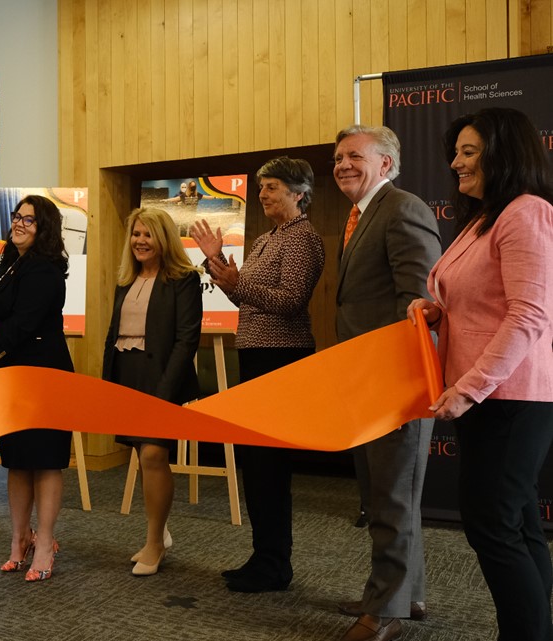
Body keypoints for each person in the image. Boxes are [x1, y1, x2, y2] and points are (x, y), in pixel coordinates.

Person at [409, 107, 553, 641]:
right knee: (516, 525)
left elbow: (530, 315)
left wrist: (469, 388)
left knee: (494, 528)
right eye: (457, 152)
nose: (456, 162)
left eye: (470, 152)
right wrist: (435, 312)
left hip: (507, 398)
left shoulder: (526, 212)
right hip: (487, 396)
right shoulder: (483, 219)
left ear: (504, 154)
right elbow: (478, 304)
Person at [189, 156, 325, 594]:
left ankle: (274, 564)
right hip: (255, 351)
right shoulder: (266, 239)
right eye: (262, 187)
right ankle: (264, 556)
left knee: (270, 466)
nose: (262, 195)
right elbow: (249, 302)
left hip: (282, 358)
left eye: (272, 187)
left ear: (298, 193)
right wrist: (219, 267)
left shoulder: (304, 238)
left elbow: (289, 302)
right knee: (258, 465)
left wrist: (236, 280)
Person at [332, 124, 440, 641]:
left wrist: (396, 378)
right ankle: (402, 595)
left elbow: (418, 302)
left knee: (394, 497)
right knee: (385, 497)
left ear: (386, 164)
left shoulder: (403, 209)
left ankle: (387, 613)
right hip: (366, 379)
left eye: (354, 156)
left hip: (395, 380)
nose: (342, 165)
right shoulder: (360, 216)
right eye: (337, 158)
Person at [0, 194, 73, 583]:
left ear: (45, 229)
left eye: (30, 220)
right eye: (17, 217)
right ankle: (19, 539)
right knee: (17, 460)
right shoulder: (9, 263)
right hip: (11, 373)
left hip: (44, 375)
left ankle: (46, 542)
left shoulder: (45, 271)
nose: (19, 224)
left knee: (46, 459)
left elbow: (21, 325)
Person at [103, 207, 202, 576]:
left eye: (148, 234)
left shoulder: (185, 279)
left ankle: (155, 542)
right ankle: (157, 531)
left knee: (154, 457)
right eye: (136, 234)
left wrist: (164, 393)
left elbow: (186, 340)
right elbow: (114, 335)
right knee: (143, 456)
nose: (140, 241)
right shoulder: (125, 280)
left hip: (163, 378)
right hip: (127, 374)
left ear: (164, 239)